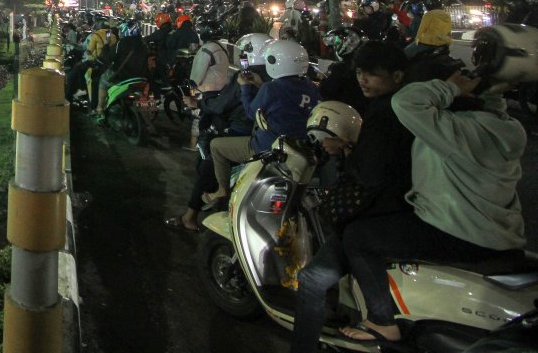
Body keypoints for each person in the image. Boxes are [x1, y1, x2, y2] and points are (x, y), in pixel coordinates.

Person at [334, 39, 530, 344]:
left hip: (458, 231)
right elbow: (487, 103)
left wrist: (448, 86)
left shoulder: (452, 129)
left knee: (357, 237)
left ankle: (381, 321)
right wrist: (490, 87)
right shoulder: (503, 125)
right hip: (500, 231)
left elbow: (406, 103)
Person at [290, 42, 414, 352]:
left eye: (372, 74)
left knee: (312, 279)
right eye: (360, 72)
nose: (363, 80)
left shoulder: (387, 114)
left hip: (378, 211)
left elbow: (373, 174)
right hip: (397, 207)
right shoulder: (407, 105)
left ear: (397, 75)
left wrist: (345, 151)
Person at [203, 39, 320, 205]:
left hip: (268, 147)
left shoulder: (271, 88)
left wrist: (244, 87)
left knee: (216, 145)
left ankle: (222, 189)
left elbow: (252, 113)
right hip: (298, 149)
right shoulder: (310, 87)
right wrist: (259, 84)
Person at [165, 44, 259, 232]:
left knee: (209, 162)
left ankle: (190, 217)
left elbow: (223, 105)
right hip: (274, 139)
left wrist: (199, 102)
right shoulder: (287, 83)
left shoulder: (247, 78)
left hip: (246, 134)